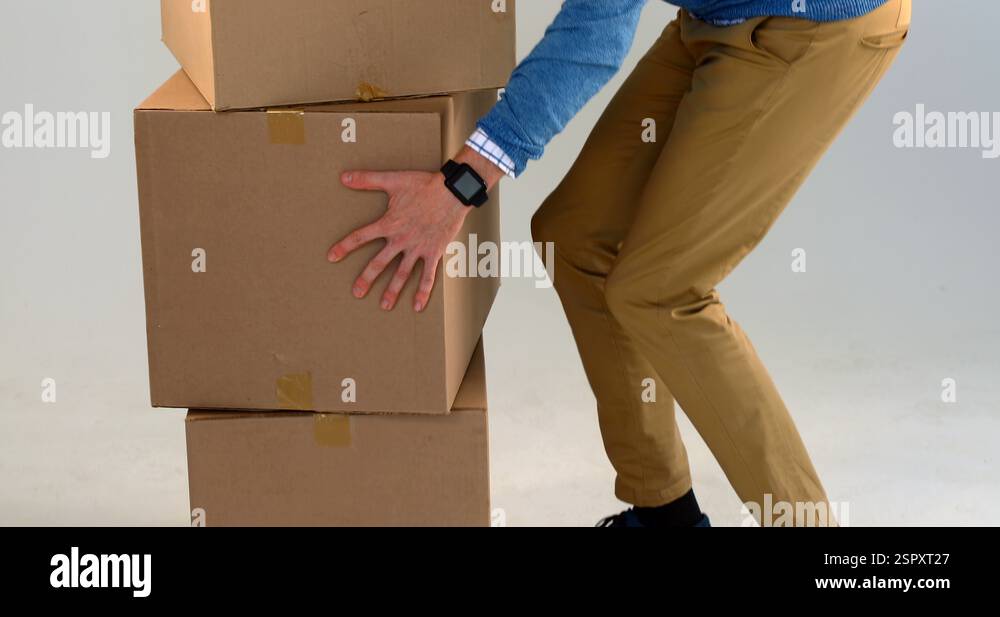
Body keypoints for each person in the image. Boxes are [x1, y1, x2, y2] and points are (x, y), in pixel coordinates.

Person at [328, 0, 911, 527]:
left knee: (663, 292)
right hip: (714, 19)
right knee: (577, 236)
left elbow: (590, 39)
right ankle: (666, 515)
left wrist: (460, 185)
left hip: (812, 29)